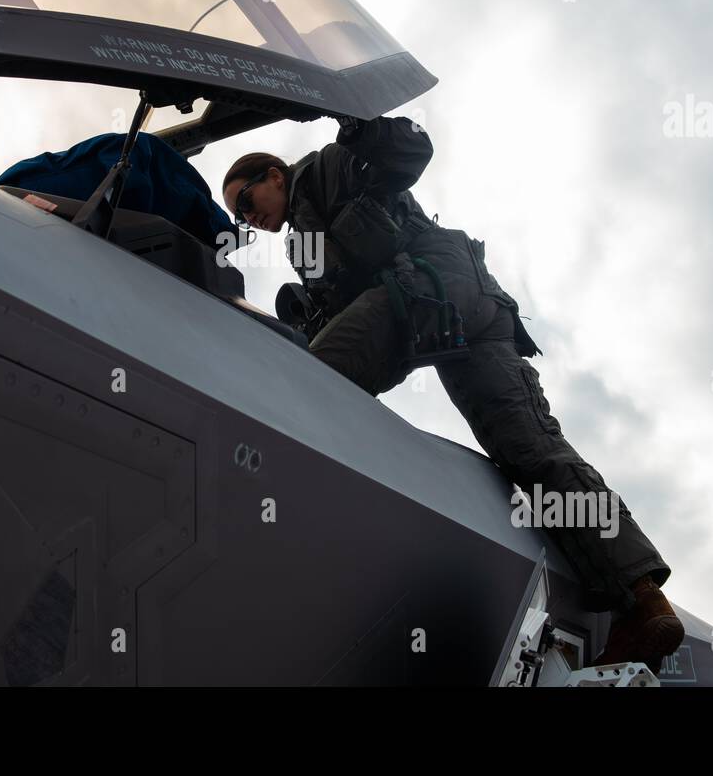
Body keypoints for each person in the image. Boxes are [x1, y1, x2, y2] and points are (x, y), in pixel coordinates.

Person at [221, 114, 685, 672]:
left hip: (428, 285)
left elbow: (407, 154)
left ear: (275, 175)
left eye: (246, 200)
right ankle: (641, 600)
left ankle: (260, 525)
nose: (249, 218)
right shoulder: (304, 240)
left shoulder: (327, 167)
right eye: (238, 217)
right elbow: (343, 303)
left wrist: (359, 123)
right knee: (531, 451)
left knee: (310, 383)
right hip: (465, 312)